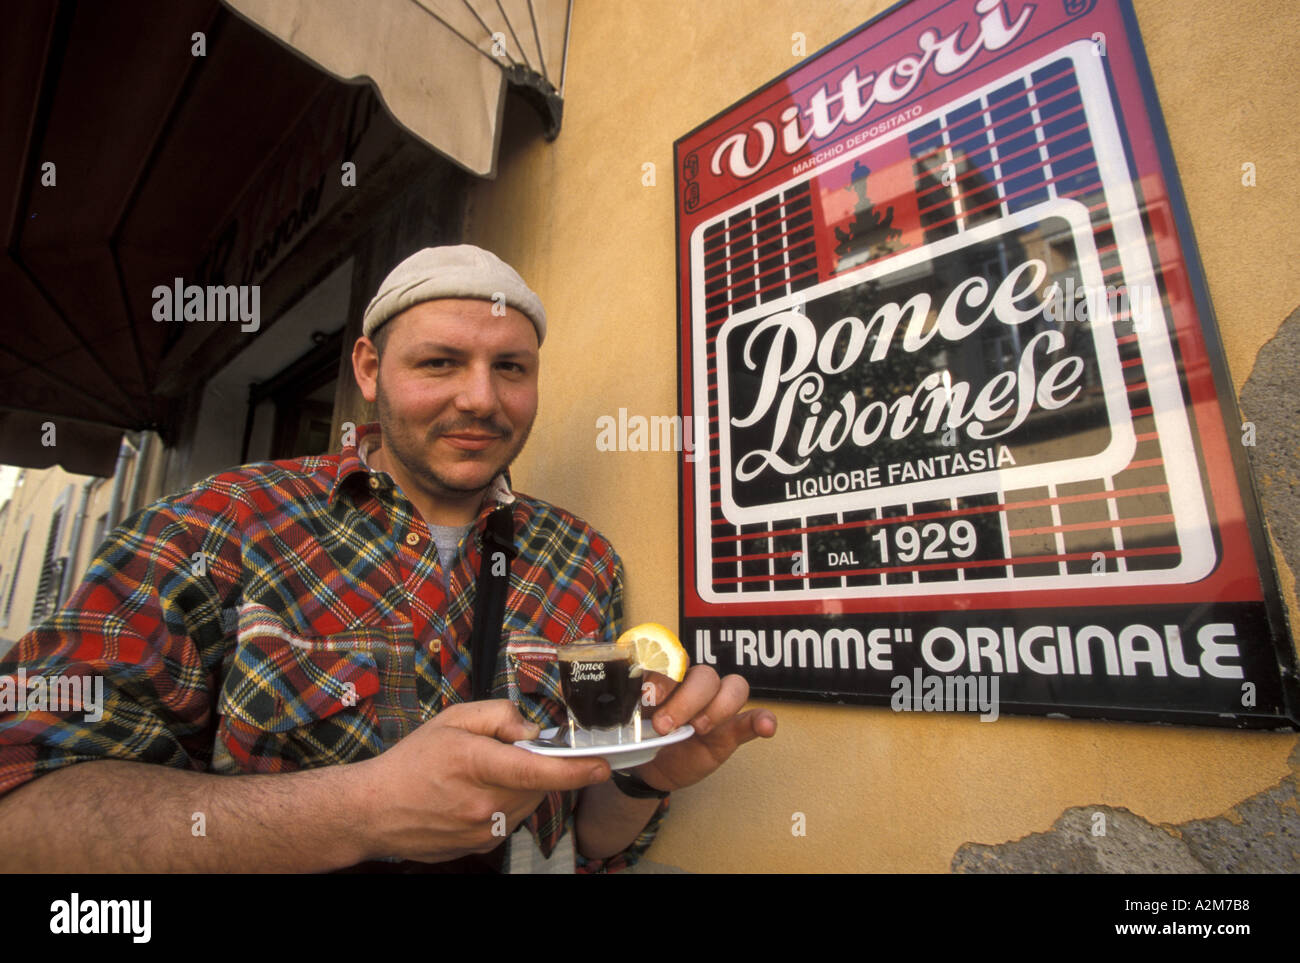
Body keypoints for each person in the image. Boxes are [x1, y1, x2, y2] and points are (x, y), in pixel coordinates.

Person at [0, 244, 777, 873]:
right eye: (439, 363)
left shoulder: (583, 560)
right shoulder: (219, 524)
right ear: (370, 369)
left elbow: (585, 838)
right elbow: (25, 805)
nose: (481, 398)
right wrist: (365, 807)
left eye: (511, 367)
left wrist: (645, 776)